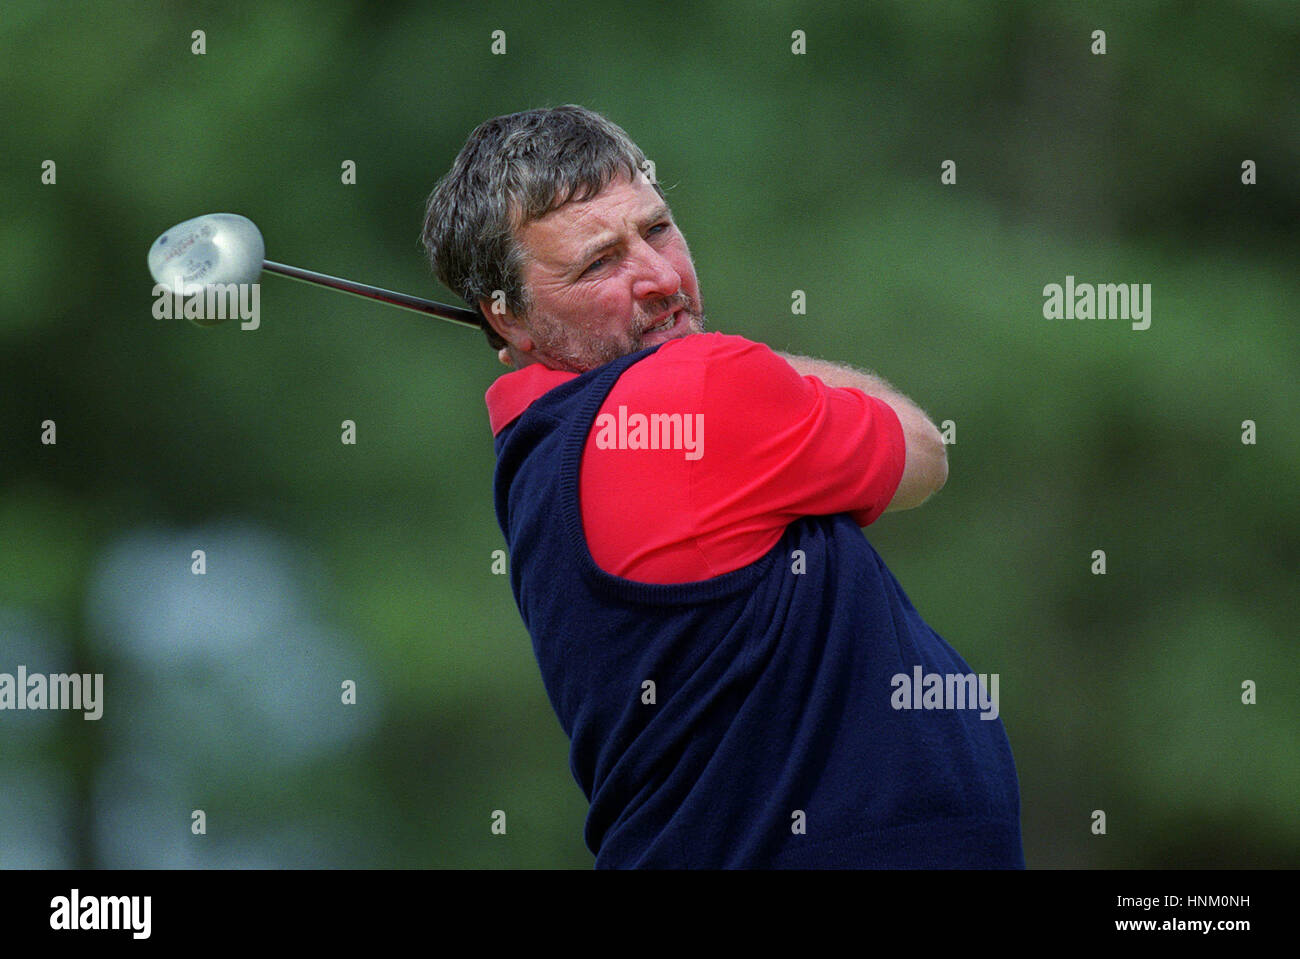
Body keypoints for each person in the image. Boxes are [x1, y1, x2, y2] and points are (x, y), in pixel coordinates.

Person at [421, 105, 1024, 868]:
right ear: (507, 322)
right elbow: (922, 450)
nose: (661, 277)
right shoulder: (700, 388)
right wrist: (736, 363)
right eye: (599, 262)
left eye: (658, 229)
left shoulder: (534, 453)